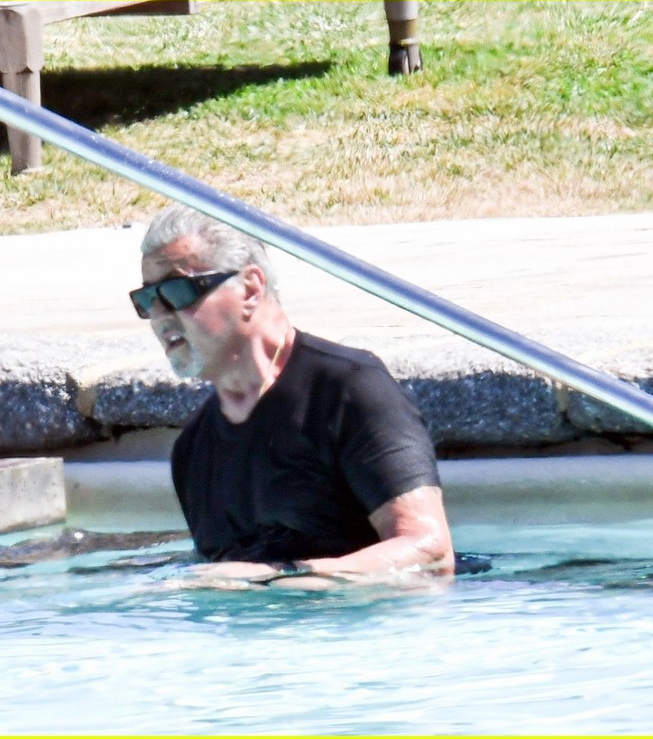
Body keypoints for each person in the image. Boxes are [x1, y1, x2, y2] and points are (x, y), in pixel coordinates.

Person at [130, 204, 454, 585]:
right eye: (147, 300)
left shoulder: (349, 391)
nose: (158, 316)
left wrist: (272, 577)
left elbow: (430, 552)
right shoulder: (192, 450)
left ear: (250, 289)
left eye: (175, 291)